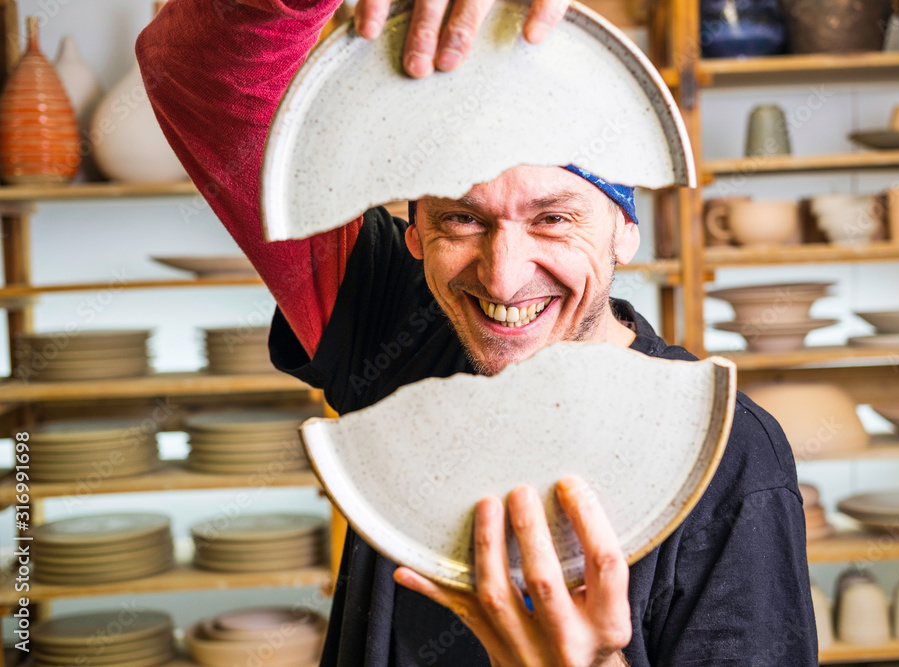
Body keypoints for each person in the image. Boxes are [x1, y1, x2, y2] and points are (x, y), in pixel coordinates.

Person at [136, 0, 818, 664]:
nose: (502, 277)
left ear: (627, 231)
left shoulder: (724, 455)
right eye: (462, 220)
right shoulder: (395, 326)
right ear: (414, 233)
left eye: (552, 218)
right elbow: (193, 67)